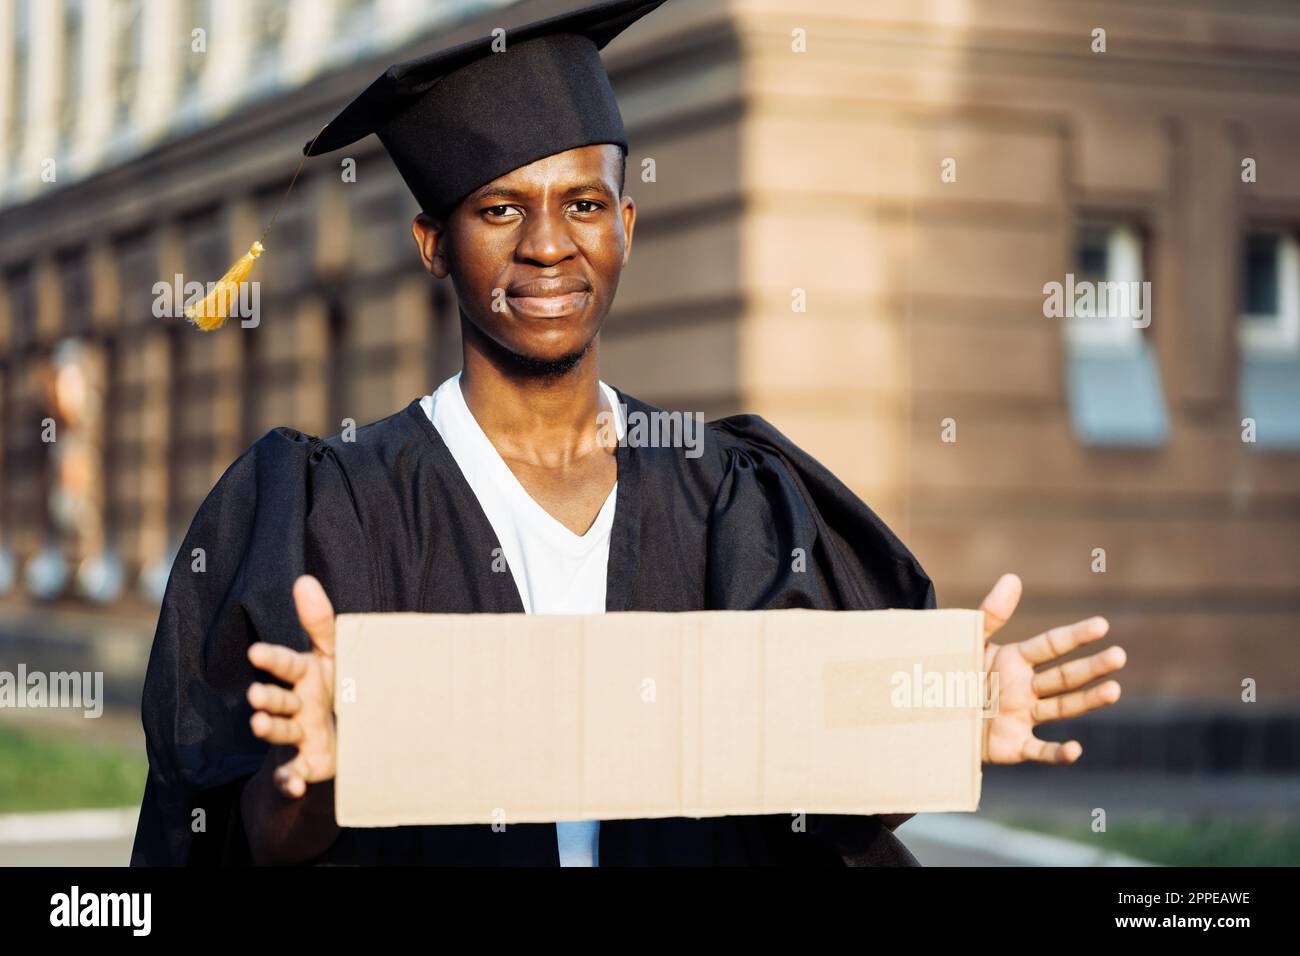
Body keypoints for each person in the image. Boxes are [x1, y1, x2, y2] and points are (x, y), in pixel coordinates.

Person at [130, 0, 1126, 867]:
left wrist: (934, 719)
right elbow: (248, 840)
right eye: (499, 207)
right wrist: (313, 775)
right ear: (433, 241)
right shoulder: (331, 511)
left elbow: (817, 806)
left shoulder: (732, 492)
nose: (549, 244)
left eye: (583, 203)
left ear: (627, 226)